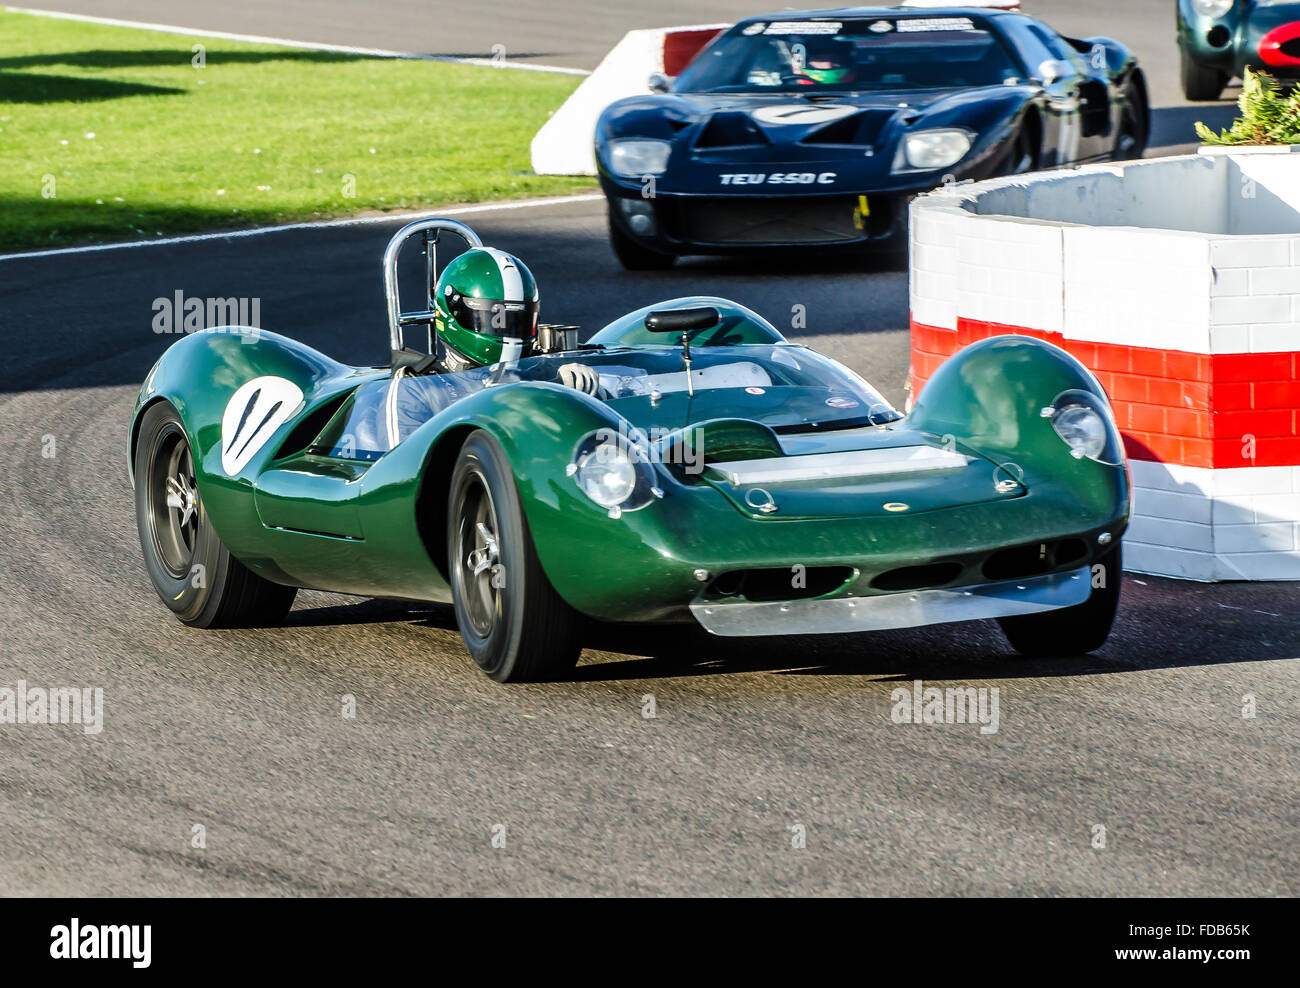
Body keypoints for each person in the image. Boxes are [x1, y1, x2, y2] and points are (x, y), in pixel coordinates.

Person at [386, 247, 599, 447]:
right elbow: (402, 471)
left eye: (517, 319)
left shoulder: (544, 372)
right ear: (454, 313)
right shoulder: (416, 389)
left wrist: (583, 393)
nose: (506, 332)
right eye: (496, 319)